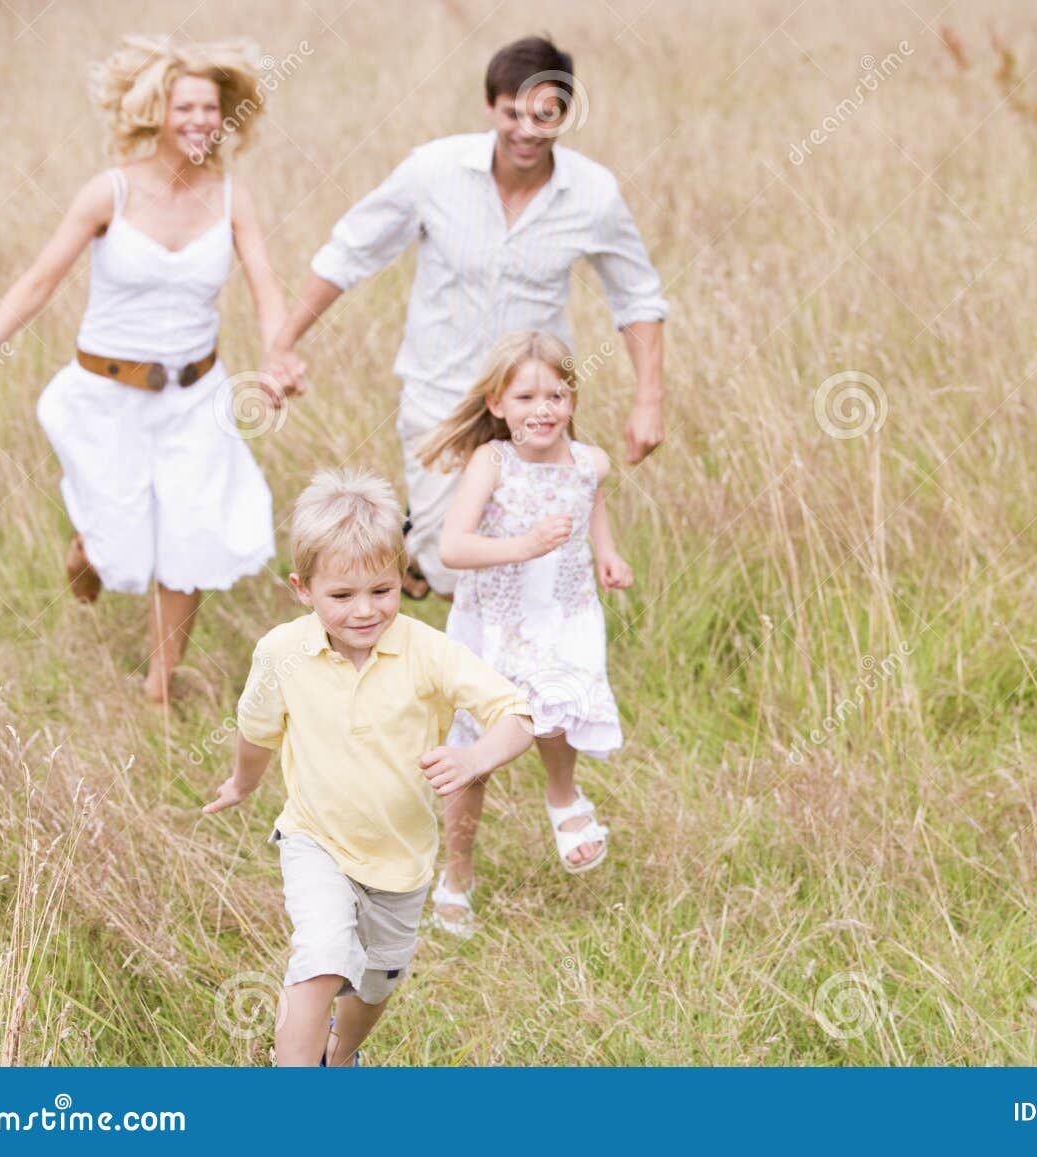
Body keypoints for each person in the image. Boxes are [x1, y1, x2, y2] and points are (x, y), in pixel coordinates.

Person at [0, 35, 302, 702]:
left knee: (188, 539)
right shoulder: (112, 192)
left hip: (195, 396)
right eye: (184, 107)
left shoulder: (230, 197)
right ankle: (88, 547)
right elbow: (37, 283)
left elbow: (267, 289)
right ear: (155, 112)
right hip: (105, 396)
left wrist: (278, 357)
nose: (199, 121)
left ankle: (159, 689)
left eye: (210, 109)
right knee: (115, 548)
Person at [262, 35, 667, 603]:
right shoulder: (434, 170)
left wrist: (649, 398)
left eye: (544, 115)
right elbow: (351, 252)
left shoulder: (593, 194)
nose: (526, 130)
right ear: (491, 107)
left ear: (566, 114)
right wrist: (283, 344)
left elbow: (638, 296)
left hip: (534, 402)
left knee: (527, 552)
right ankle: (422, 557)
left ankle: (500, 679)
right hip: (441, 393)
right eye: (513, 113)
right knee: (449, 553)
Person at [203, 468, 534, 1066]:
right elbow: (257, 733)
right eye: (342, 595)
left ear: (402, 579)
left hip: (400, 860)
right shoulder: (282, 651)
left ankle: (340, 1053)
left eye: (380, 591)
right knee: (321, 957)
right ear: (303, 589)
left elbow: (516, 714)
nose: (364, 611)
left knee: (376, 983)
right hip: (316, 838)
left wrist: (472, 757)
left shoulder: (428, 652)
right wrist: (241, 784)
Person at [416, 331, 632, 937]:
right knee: (473, 764)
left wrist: (608, 554)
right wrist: (524, 546)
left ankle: (563, 797)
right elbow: (453, 547)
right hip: (496, 621)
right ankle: (457, 872)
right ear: (496, 405)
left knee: (556, 706)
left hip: (564, 613)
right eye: (526, 396)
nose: (543, 408)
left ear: (573, 400)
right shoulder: (492, 462)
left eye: (557, 395)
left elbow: (591, 503)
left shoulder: (590, 462)